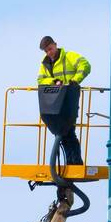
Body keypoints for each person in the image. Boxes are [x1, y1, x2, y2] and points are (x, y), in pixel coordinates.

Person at [37, 36, 91, 168]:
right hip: (55, 102)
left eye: (50, 48)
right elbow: (40, 80)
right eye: (46, 51)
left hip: (69, 99)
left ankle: (75, 163)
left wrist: (75, 80)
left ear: (55, 45)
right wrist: (53, 81)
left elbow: (86, 65)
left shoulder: (68, 56)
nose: (49, 52)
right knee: (62, 133)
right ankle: (72, 163)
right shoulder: (45, 64)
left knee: (68, 131)